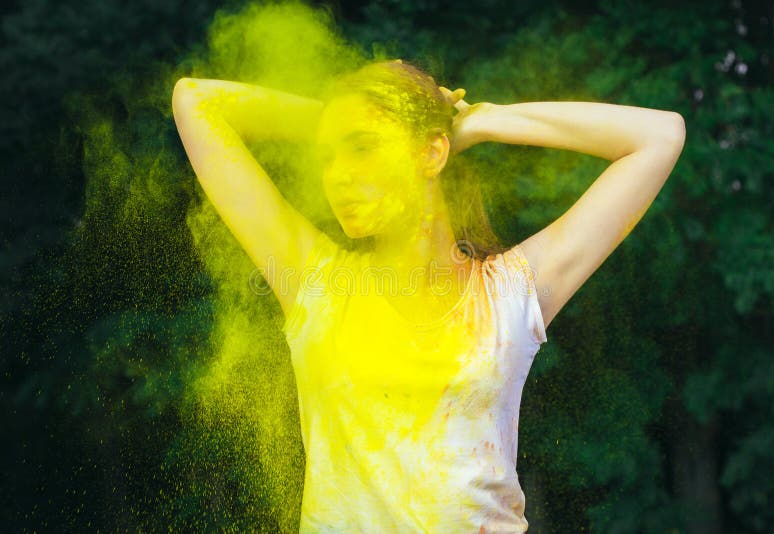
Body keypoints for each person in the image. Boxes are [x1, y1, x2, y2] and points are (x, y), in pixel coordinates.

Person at [172, 59, 685, 532]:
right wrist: (350, 118)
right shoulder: (316, 282)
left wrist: (480, 122)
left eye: (362, 147)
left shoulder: (510, 292)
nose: (337, 176)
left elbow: (660, 135)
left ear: (432, 152)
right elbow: (196, 101)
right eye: (327, 155)